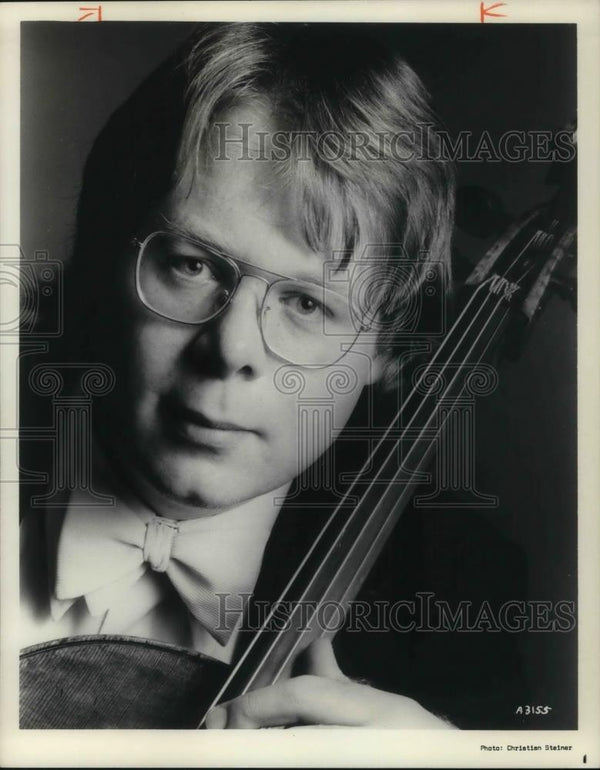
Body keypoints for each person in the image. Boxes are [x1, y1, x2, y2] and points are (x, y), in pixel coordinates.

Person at [20, 22, 528, 729]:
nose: (231, 350)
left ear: (388, 346)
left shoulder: (460, 602)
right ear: (102, 249)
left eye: (307, 303)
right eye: (191, 265)